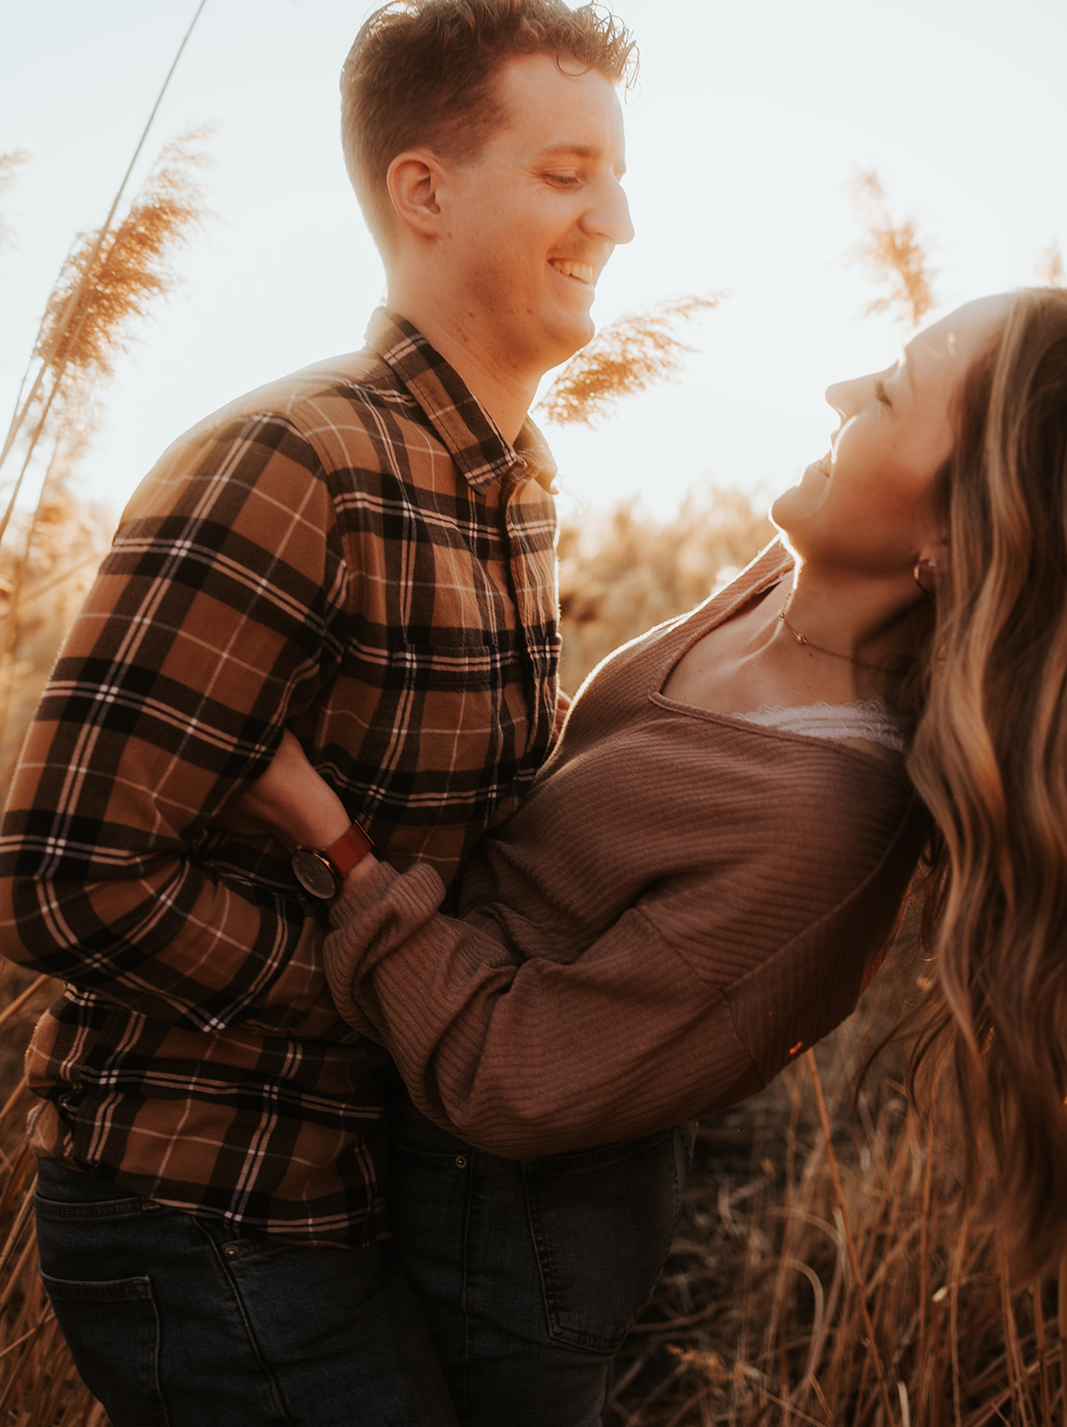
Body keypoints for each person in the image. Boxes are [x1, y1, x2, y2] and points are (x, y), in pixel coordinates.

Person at [225, 291, 1050, 1425]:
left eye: (889, 395)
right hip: (390, 1134)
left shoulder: (824, 823)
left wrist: (330, 835)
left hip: (507, 1239)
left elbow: (514, 1079)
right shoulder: (781, 590)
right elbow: (599, 798)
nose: (838, 394)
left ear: (951, 539)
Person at [0, 0, 637, 1427]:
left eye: (615, 174)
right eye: (563, 173)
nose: (614, 220)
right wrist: (401, 1000)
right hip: (206, 1209)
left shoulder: (512, 490)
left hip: (369, 1204)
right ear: (423, 190)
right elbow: (60, 877)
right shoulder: (293, 464)